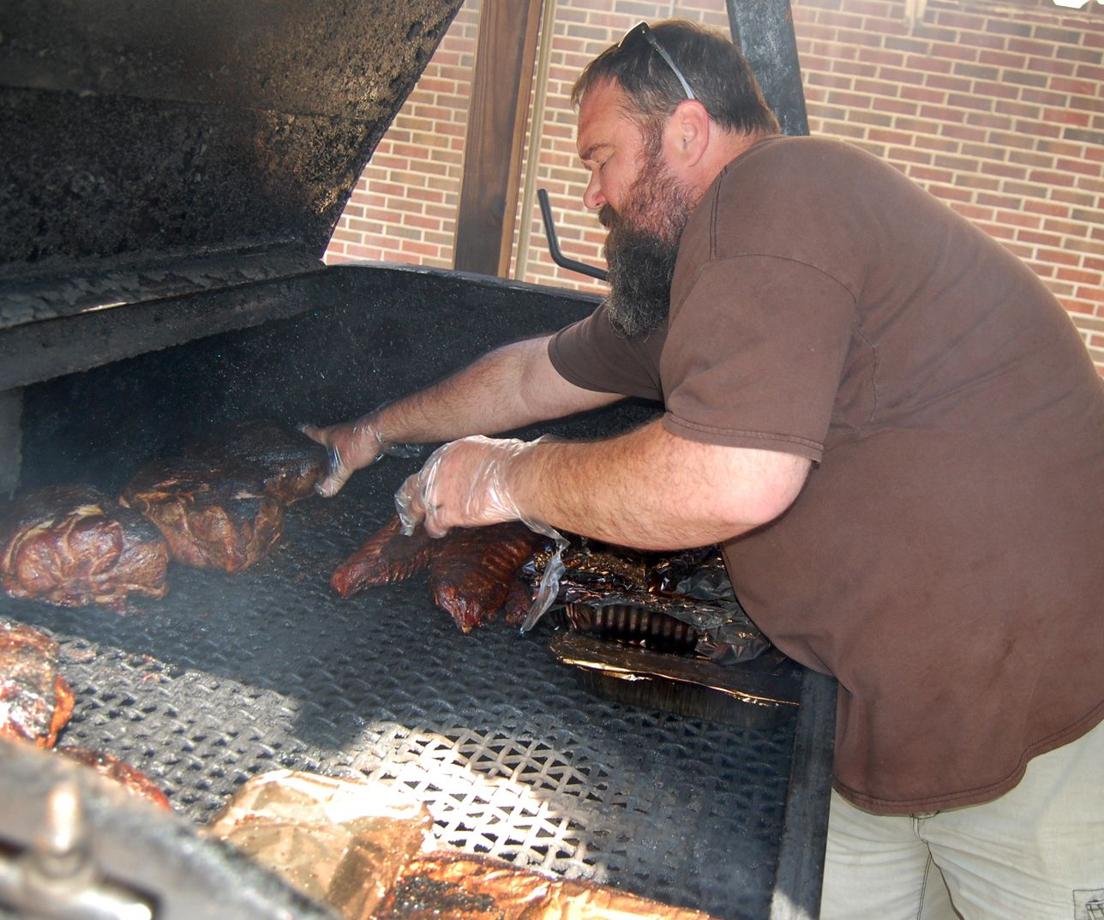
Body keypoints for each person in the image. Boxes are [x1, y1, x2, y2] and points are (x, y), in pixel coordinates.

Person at [306, 20, 1104, 919]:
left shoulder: (779, 190)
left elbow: (733, 477)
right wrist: (373, 430)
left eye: (603, 158)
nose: (597, 195)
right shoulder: (715, 276)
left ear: (687, 130)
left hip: (1034, 738)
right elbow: (536, 373)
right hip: (872, 724)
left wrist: (508, 480)